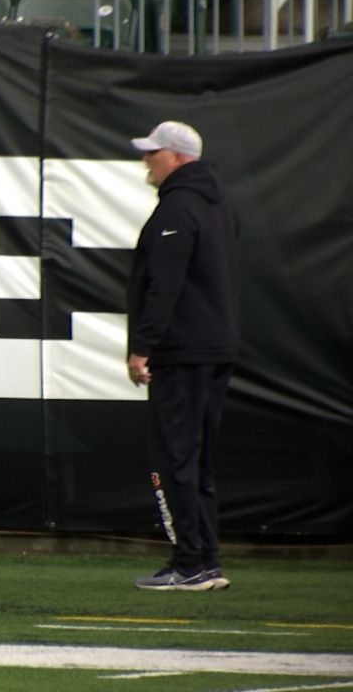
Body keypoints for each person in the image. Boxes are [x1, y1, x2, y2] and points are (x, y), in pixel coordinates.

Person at [127, 121, 238, 592]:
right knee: (200, 461)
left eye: (152, 153)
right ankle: (206, 560)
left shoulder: (179, 206)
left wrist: (142, 347)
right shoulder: (218, 205)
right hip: (215, 348)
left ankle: (189, 562)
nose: (146, 162)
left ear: (174, 156)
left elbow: (164, 283)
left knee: (174, 458)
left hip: (183, 351)